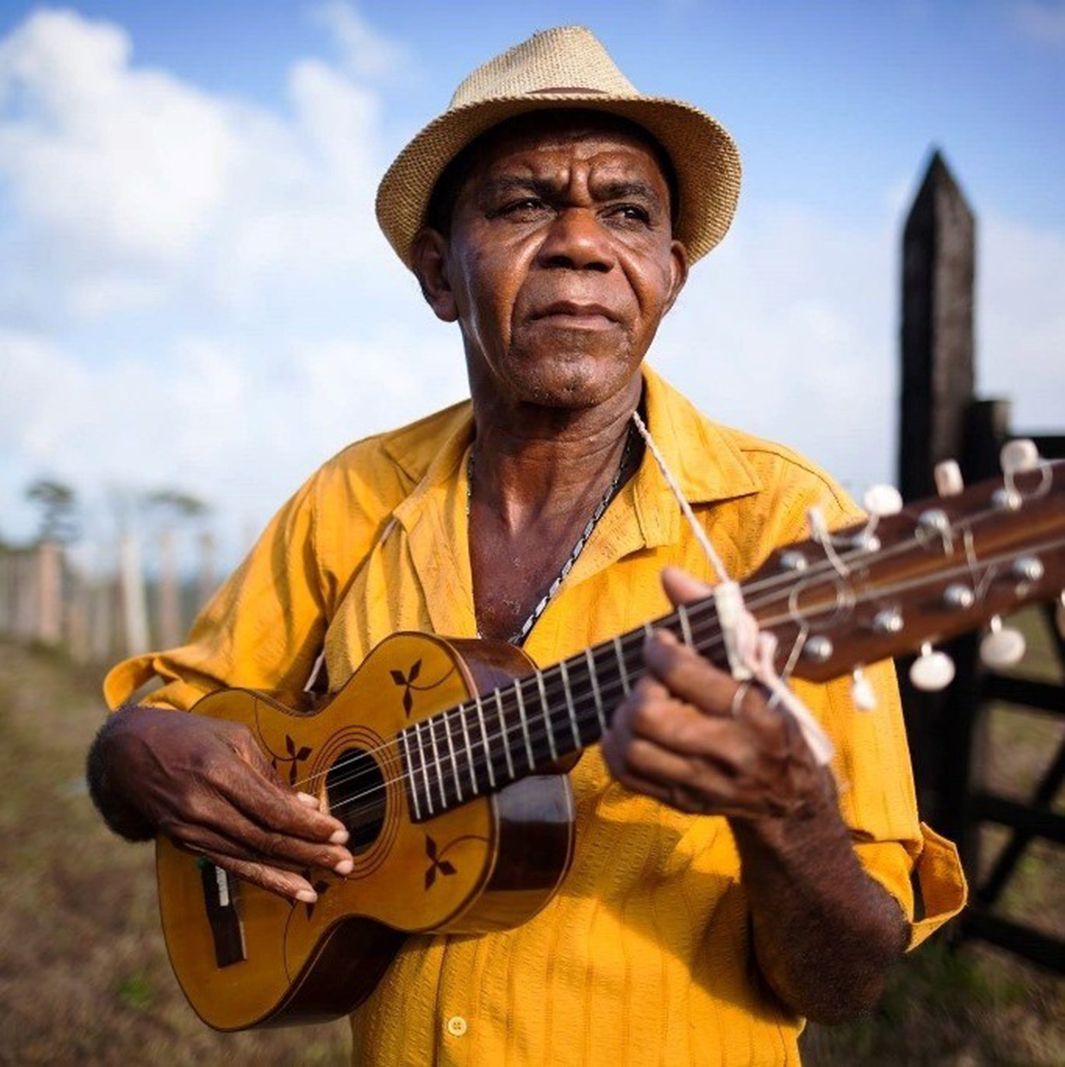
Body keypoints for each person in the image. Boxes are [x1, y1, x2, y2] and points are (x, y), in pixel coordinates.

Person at [88, 26, 966, 1066]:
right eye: (523, 203)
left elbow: (845, 977)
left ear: (668, 276)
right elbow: (159, 722)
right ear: (438, 274)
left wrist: (789, 813)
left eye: (628, 211)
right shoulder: (355, 494)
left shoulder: (782, 522)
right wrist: (139, 750)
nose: (583, 242)